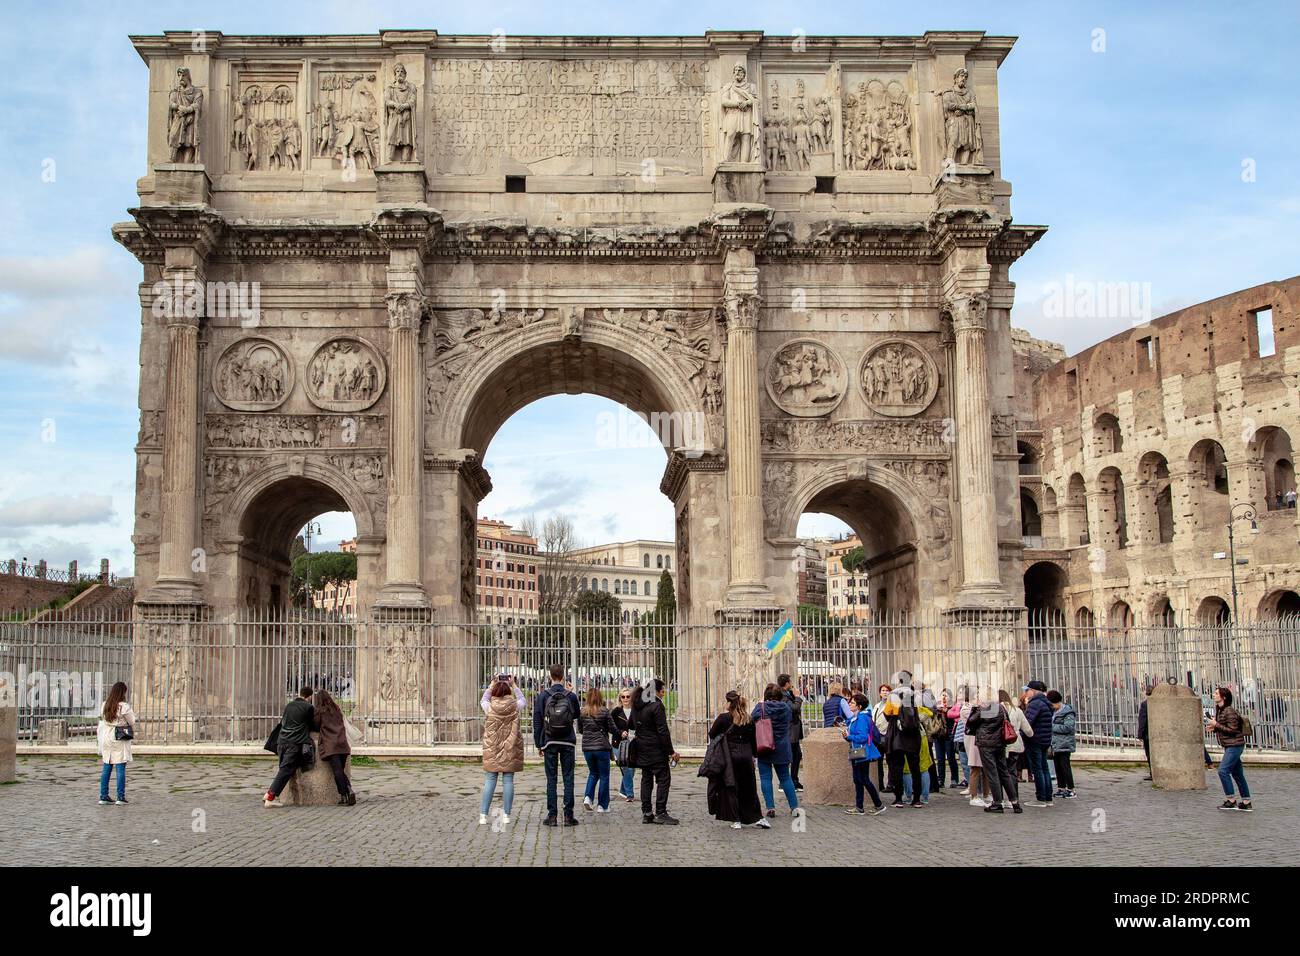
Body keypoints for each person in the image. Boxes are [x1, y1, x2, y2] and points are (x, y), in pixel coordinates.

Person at [707, 691, 767, 829]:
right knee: (749, 787)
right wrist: (755, 756)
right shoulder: (749, 719)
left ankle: (736, 819)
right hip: (746, 755)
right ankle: (758, 816)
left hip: (730, 756)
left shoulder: (723, 718)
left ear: (729, 704)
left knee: (731, 786)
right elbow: (753, 740)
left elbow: (712, 734)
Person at [533, 663, 582, 827]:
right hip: (567, 740)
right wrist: (571, 692)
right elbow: (575, 715)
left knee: (551, 779)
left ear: (550, 676)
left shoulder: (543, 696)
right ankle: (568, 816)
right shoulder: (571, 696)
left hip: (549, 740)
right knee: (568, 778)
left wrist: (539, 744)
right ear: (563, 677)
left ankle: (552, 816)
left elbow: (537, 721)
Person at [480, 675, 525, 825]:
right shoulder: (514, 705)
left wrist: (491, 685)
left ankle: (483, 815)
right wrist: (514, 685)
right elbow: (523, 700)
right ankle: (506, 814)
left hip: (492, 746)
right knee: (508, 780)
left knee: (490, 780)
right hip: (510, 746)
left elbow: (483, 699)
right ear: (508, 691)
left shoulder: (489, 706)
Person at [633, 678, 679, 824]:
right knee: (664, 779)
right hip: (656, 749)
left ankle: (647, 812)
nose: (664, 692)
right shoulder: (656, 706)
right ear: (657, 691)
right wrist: (671, 751)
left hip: (641, 747)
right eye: (663, 689)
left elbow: (631, 724)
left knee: (646, 779)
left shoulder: (638, 704)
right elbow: (662, 731)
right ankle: (661, 811)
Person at [966, 694, 1022, 814]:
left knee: (992, 773)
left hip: (986, 744)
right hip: (999, 743)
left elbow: (971, 721)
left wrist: (976, 708)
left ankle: (997, 802)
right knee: (1004, 772)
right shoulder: (1001, 708)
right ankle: (1015, 802)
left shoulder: (984, 709)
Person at [753, 683, 800, 817]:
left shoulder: (760, 707)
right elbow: (790, 719)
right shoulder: (785, 708)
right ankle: (794, 807)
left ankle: (770, 807)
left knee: (765, 778)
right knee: (785, 778)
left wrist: (761, 703)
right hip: (782, 747)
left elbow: (752, 719)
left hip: (764, 745)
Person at [264, 686, 316, 808]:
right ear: (309, 697)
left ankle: (268, 794)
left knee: (283, 769)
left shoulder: (289, 705)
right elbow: (312, 725)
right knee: (286, 770)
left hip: (282, 741)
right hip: (295, 742)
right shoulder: (308, 707)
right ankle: (271, 797)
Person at [1207, 686, 1252, 811]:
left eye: (1216, 693)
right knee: (1237, 774)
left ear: (1224, 697)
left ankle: (1231, 800)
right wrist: (1215, 727)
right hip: (1230, 745)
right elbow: (1225, 726)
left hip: (1235, 745)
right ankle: (1246, 802)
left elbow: (1233, 730)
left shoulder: (1229, 711)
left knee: (1223, 771)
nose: (1214, 695)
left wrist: (1216, 725)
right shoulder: (1220, 709)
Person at [842, 692, 885, 815]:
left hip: (861, 751)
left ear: (859, 706)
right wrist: (847, 736)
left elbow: (862, 737)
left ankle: (878, 804)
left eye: (853, 703)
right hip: (858, 751)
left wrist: (849, 737)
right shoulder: (858, 717)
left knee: (864, 779)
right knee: (858, 779)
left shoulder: (861, 718)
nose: (850, 704)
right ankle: (859, 806)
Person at [313, 688, 356, 806]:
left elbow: (316, 726)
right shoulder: (337, 709)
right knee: (340, 771)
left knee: (337, 772)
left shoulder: (320, 711)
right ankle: (349, 790)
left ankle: (344, 796)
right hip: (342, 744)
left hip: (331, 745)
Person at [883, 682, 924, 807]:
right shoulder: (916, 696)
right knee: (915, 768)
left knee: (897, 767)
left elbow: (886, 713)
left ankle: (898, 799)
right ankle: (916, 799)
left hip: (897, 733)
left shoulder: (893, 695)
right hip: (913, 734)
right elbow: (921, 715)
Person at [96, 681, 136, 805]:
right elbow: (132, 721)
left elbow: (102, 718)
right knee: (120, 766)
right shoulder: (124, 706)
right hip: (119, 736)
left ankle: (103, 796)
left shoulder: (105, 704)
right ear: (122, 692)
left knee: (107, 765)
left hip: (106, 736)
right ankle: (120, 797)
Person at [579, 688, 614, 813]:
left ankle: (588, 797)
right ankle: (602, 805)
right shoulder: (604, 711)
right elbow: (612, 728)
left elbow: (580, 730)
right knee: (604, 776)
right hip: (602, 748)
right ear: (600, 697)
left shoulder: (583, 712)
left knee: (593, 773)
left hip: (587, 748)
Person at [1022, 680, 1055, 807]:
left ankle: (1041, 798)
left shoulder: (1035, 703)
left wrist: (1022, 735)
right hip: (1045, 739)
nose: (1025, 693)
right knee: (1044, 768)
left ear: (1033, 691)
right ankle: (1048, 797)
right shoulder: (1046, 703)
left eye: (1027, 690)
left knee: (1038, 769)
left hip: (1035, 740)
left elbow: (1027, 723)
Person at [610, 687, 638, 802]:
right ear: (620, 698)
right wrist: (621, 732)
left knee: (632, 769)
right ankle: (630, 794)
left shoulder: (636, 711)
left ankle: (623, 791)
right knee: (626, 768)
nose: (626, 699)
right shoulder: (616, 712)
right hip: (619, 744)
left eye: (628, 696)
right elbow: (611, 727)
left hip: (633, 744)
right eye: (623, 697)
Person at [778, 673, 805, 792]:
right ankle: (784, 783)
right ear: (787, 683)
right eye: (790, 681)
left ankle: (794, 780)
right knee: (790, 755)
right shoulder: (782, 695)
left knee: (797, 755)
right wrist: (798, 697)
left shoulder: (787, 694)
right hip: (789, 729)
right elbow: (793, 708)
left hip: (793, 729)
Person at [1047, 690, 1077, 799]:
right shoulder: (1053, 712)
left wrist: (1052, 727)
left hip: (1065, 744)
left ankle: (1071, 789)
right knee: (1057, 767)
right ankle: (1061, 788)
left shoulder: (1068, 712)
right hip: (1055, 744)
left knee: (1065, 767)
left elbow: (1068, 728)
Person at [1002, 689, 1033, 787]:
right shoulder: (1017, 710)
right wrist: (1031, 735)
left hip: (1001, 743)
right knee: (1012, 771)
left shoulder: (995, 710)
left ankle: (1000, 798)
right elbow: (1028, 729)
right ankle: (1014, 797)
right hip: (1014, 742)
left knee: (1001, 771)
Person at [934, 688, 959, 789]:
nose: (944, 697)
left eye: (946, 695)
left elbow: (954, 718)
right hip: (938, 735)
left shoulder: (953, 707)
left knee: (950, 757)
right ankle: (940, 779)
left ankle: (954, 779)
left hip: (949, 735)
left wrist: (947, 711)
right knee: (940, 759)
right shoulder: (936, 706)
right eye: (942, 695)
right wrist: (937, 710)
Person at [1137, 685, 1153, 780]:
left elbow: (1142, 720)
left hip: (1148, 735)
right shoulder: (1160, 704)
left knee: (1149, 754)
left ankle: (1153, 773)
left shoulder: (1145, 704)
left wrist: (1140, 734)